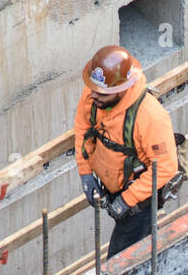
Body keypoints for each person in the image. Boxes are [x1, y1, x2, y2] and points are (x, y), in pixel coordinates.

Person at [73, 45, 180, 257]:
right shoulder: (95, 93)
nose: (93, 95)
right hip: (112, 185)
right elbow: (82, 128)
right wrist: (85, 172)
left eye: (101, 93)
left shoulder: (150, 117)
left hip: (139, 199)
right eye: (93, 88)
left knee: (120, 262)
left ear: (120, 90)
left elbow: (166, 167)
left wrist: (127, 200)